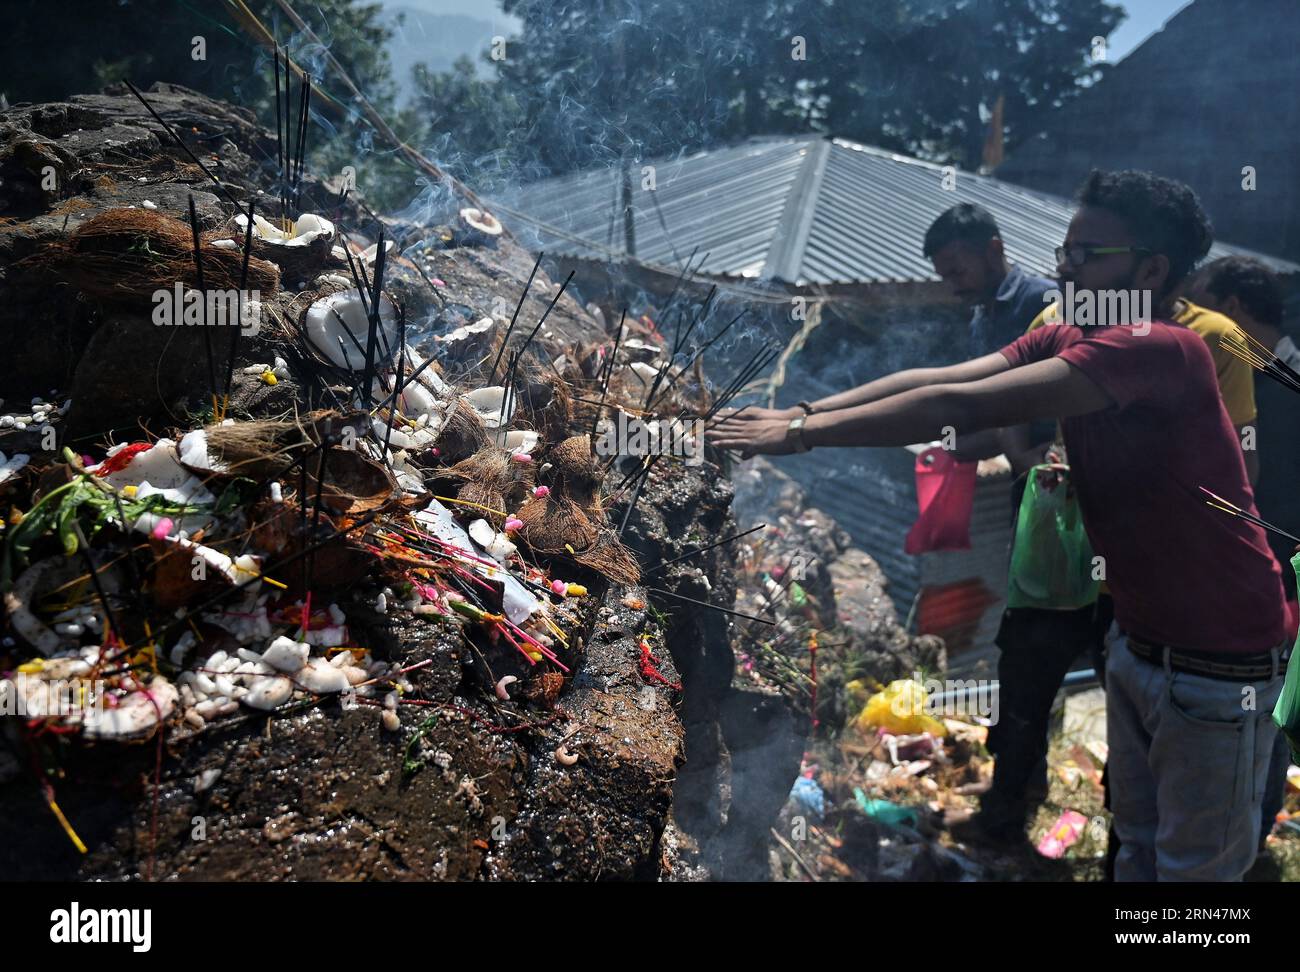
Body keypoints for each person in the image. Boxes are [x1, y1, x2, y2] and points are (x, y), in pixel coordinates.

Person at [712, 169, 1287, 881]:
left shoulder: (1160, 348)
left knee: (1193, 872)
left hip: (1218, 653)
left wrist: (800, 434)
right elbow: (940, 378)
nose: (1064, 265)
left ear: (1152, 269)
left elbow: (960, 405)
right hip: (1142, 640)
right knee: (1137, 847)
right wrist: (799, 416)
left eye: (1088, 253)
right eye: (1066, 249)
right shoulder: (1073, 331)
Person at [924, 204, 1104, 844]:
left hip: (1065, 505)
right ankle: (1019, 784)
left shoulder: (1043, 306)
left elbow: (1028, 404)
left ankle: (1014, 803)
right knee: (1022, 644)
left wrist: (1022, 454)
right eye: (944, 275)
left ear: (994, 248)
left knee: (1037, 646)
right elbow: (972, 398)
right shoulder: (991, 308)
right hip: (1037, 502)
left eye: (957, 268)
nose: (953, 284)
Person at [1185, 256, 1297, 858]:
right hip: (1237, 573)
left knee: (1272, 703)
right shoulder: (1237, 378)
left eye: (1203, 303)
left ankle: (1250, 834)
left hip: (1284, 576)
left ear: (1232, 310)